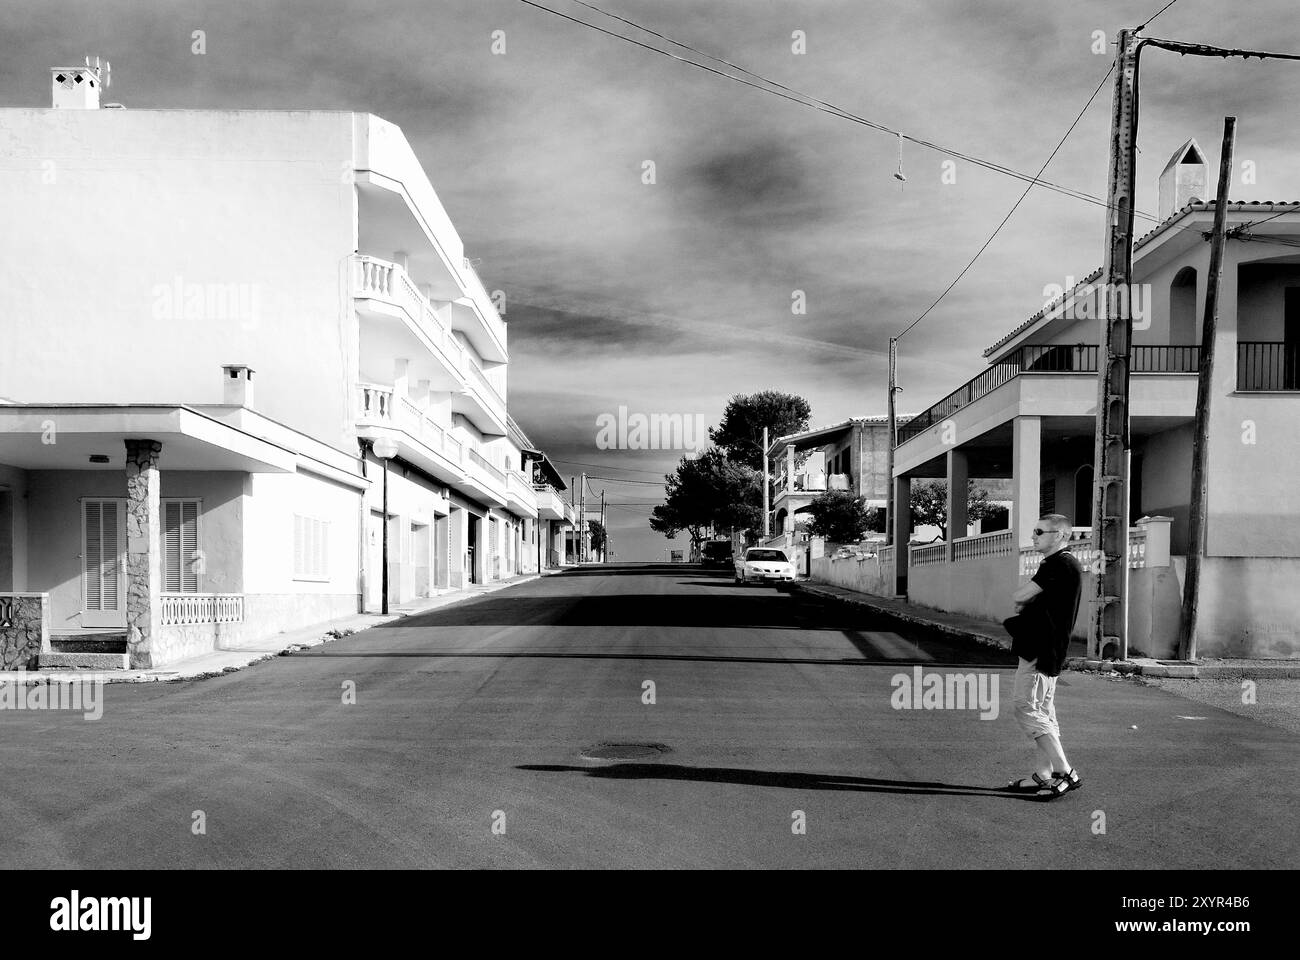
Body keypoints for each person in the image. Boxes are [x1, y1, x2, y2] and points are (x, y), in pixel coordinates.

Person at [1005, 513, 1084, 800]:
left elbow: (1020, 595)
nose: (1033, 536)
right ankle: (1044, 775)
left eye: (1040, 531)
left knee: (1025, 707)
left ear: (1060, 536)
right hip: (1044, 648)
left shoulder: (1060, 564)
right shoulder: (1058, 565)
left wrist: (1025, 600)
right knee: (1043, 712)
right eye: (1034, 530)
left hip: (1041, 649)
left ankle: (1065, 772)